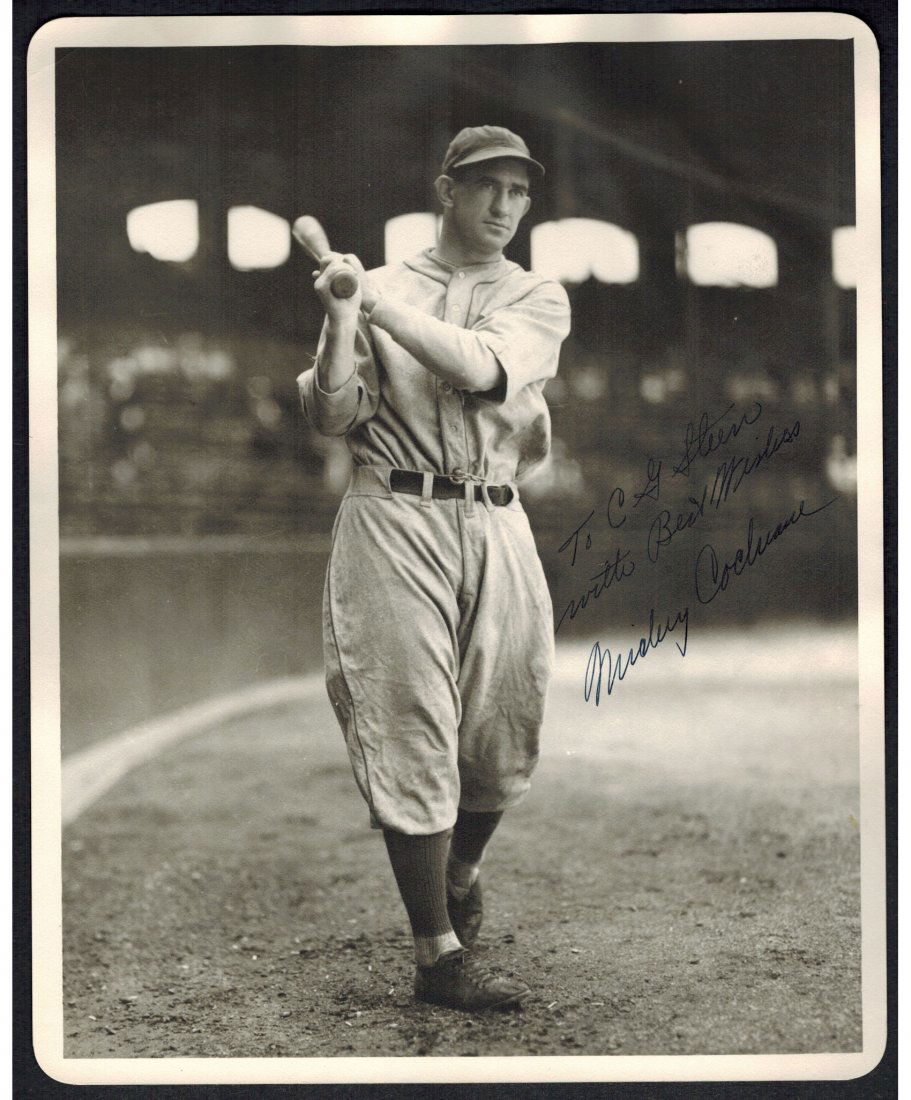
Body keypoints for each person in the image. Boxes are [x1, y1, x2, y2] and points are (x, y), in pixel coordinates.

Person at [298, 126, 571, 1011]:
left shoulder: (538, 295)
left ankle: (460, 864)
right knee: (407, 718)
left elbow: (483, 368)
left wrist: (371, 308)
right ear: (445, 189)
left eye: (518, 192)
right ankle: (437, 954)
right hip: (392, 514)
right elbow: (333, 416)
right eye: (487, 187)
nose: (504, 206)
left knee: (502, 735)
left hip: (494, 516)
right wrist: (342, 320)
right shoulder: (373, 285)